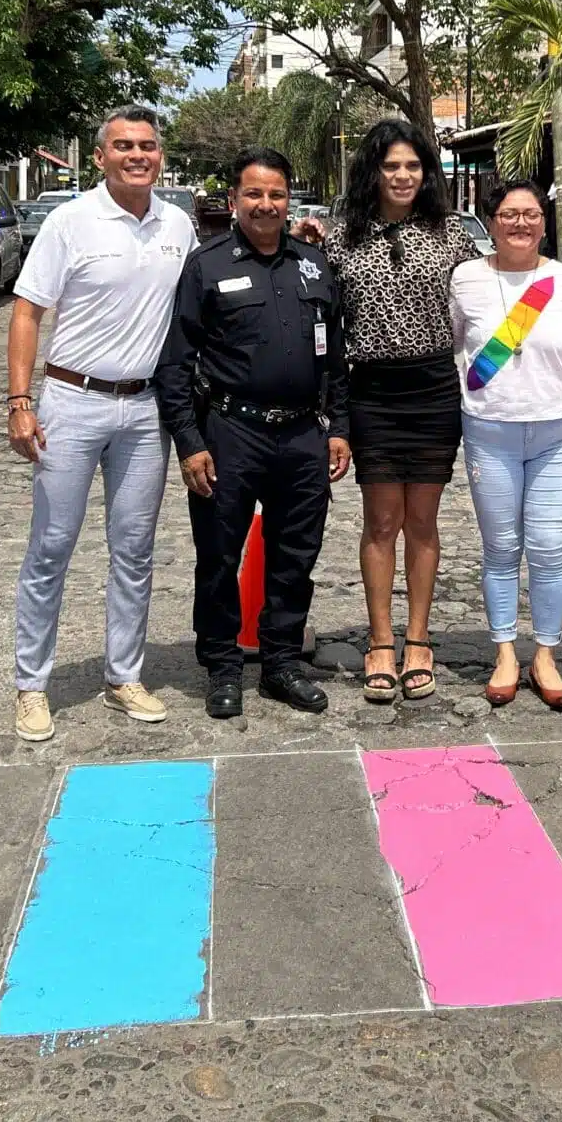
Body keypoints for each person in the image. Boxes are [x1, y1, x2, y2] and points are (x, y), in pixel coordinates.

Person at [5, 107, 196, 742]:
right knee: (51, 546)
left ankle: (124, 675)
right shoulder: (69, 222)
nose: (136, 155)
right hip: (72, 401)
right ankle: (32, 685)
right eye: (123, 146)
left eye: (146, 146)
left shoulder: (178, 225)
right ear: (101, 157)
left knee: (134, 549)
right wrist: (19, 401)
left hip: (145, 412)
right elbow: (29, 311)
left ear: (160, 157)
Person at [155, 147, 350, 719]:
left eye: (277, 194)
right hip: (229, 434)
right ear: (236, 200)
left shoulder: (314, 265)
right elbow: (175, 363)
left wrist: (338, 428)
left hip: (301, 436)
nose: (266, 205)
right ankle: (221, 665)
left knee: (295, 555)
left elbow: (335, 358)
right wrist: (189, 441)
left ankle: (282, 662)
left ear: (290, 199)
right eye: (254, 194)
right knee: (219, 556)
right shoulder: (206, 265)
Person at [321, 120, 480, 703]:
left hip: (435, 389)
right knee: (381, 522)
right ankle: (381, 642)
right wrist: (332, 417)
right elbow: (328, 331)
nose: (403, 175)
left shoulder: (452, 236)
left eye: (413, 165)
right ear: (374, 171)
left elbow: (497, 299)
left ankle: (419, 640)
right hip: (372, 393)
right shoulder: (341, 240)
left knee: (423, 521)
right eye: (392, 166)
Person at [450, 182, 562, 710]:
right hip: (489, 433)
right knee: (500, 549)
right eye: (509, 214)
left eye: (531, 214)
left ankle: (544, 653)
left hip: (557, 434)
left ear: (544, 223)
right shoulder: (466, 278)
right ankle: (503, 653)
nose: (520, 223)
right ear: (491, 221)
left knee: (546, 548)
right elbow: (454, 346)